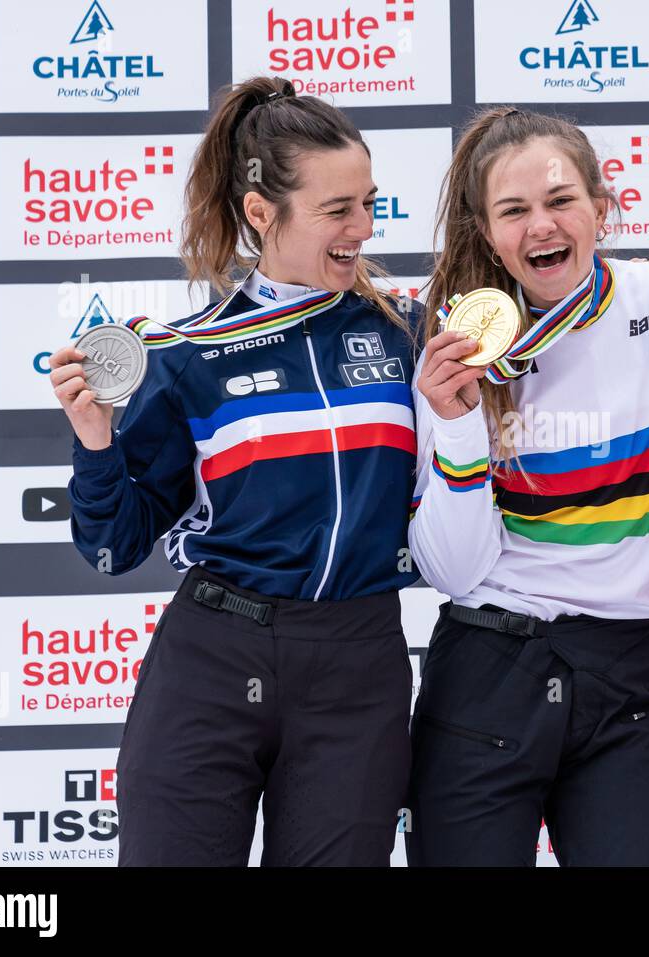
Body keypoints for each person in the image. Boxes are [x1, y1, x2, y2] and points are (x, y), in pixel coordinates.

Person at [47, 77, 419, 866]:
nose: (363, 228)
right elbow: (112, 545)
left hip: (358, 662)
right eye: (338, 209)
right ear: (261, 213)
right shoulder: (188, 355)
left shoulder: (407, 334)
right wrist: (93, 440)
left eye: (369, 202)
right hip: (216, 656)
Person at [405, 107, 649, 866]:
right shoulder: (452, 348)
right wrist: (455, 425)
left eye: (560, 200)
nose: (540, 225)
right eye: (513, 211)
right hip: (488, 669)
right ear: (486, 232)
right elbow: (452, 570)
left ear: (601, 209)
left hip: (628, 679)